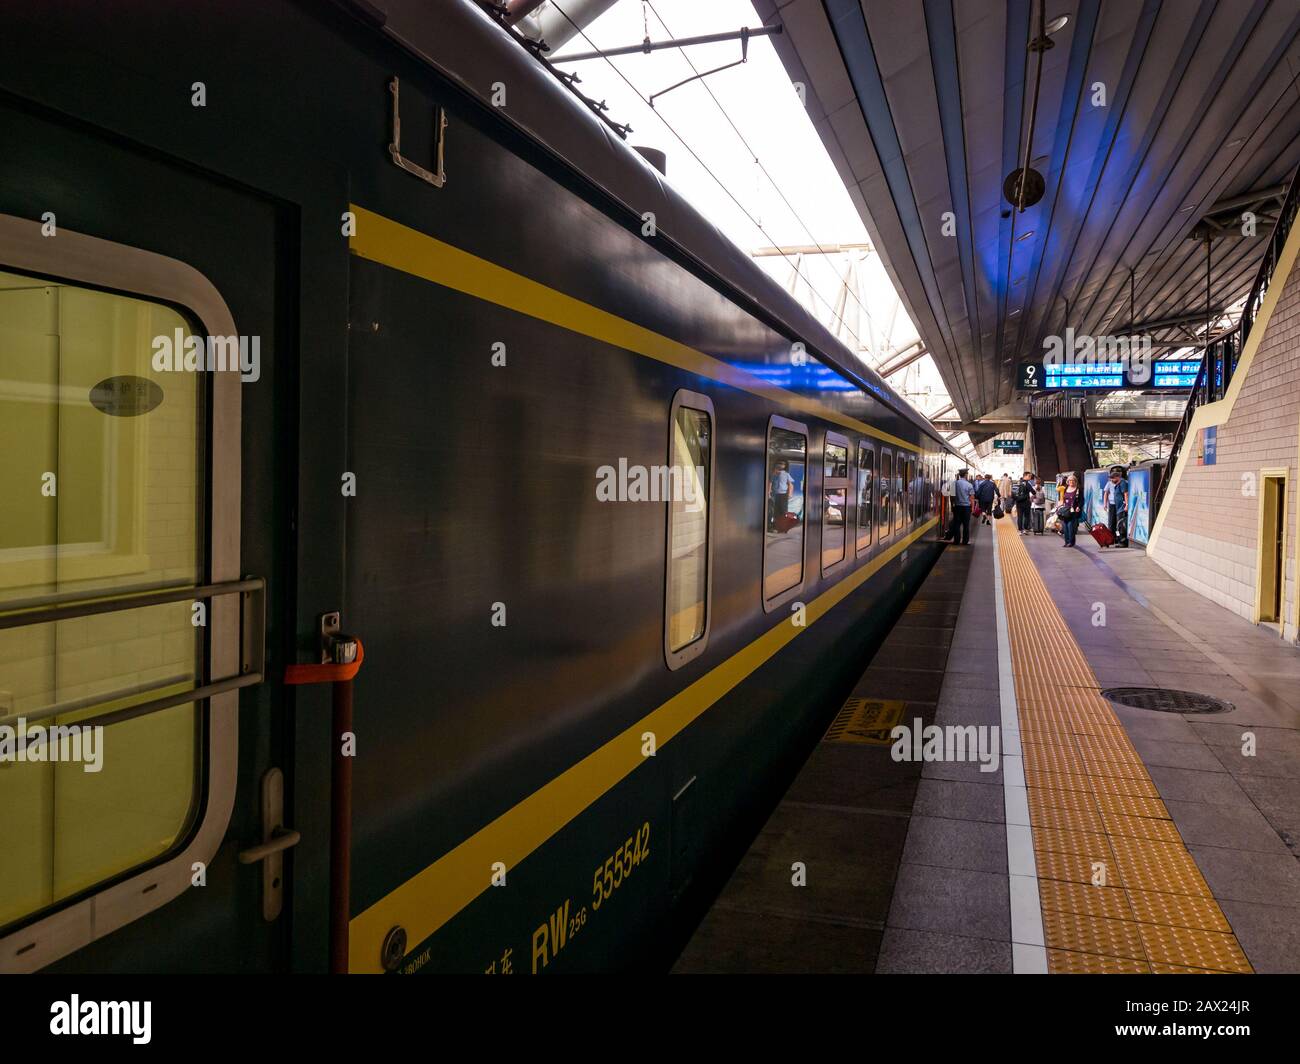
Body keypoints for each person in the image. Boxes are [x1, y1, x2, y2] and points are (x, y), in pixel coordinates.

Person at [1103, 469, 1129, 548]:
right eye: (1111, 478)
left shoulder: (1123, 483)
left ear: (1118, 477)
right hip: (1116, 506)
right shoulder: (1117, 484)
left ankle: (1122, 541)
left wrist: (1127, 505)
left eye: (1113, 478)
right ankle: (1117, 539)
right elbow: (1106, 493)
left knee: (1120, 524)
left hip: (1121, 507)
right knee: (1116, 524)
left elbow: (1126, 494)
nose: (1111, 480)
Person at [1058, 473, 1084, 547]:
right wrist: (1060, 505)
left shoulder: (1078, 490)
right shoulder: (1066, 488)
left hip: (1073, 511)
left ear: (1075, 482)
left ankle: (1071, 542)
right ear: (1068, 482)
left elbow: (1081, 500)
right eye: (1070, 481)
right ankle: (1066, 541)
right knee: (1065, 526)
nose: (1071, 482)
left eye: (1073, 481)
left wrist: (1079, 507)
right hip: (1065, 510)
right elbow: (1063, 498)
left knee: (1070, 526)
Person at [949, 468, 973, 545]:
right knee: (966, 525)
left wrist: (952, 505)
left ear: (959, 475)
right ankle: (965, 541)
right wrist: (971, 507)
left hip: (957, 507)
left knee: (957, 524)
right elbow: (971, 497)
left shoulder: (954, 484)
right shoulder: (969, 485)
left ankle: (956, 541)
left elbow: (952, 496)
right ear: (966, 475)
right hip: (966, 507)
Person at [769, 460, 793, 532]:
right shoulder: (774, 474)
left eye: (783, 464)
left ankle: (784, 527)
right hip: (775, 494)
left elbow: (790, 485)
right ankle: (777, 527)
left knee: (783, 511)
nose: (781, 466)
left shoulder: (786, 474)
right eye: (780, 464)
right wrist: (768, 493)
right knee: (776, 512)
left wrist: (789, 494)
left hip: (783, 495)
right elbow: (770, 483)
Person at [1013, 471, 1034, 535]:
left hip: (1018, 502)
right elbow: (1033, 492)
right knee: (1026, 516)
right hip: (1026, 502)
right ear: (1025, 476)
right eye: (1029, 476)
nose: (1030, 477)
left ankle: (1020, 530)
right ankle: (1025, 529)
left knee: (1020, 517)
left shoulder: (1019, 482)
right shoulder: (1027, 484)